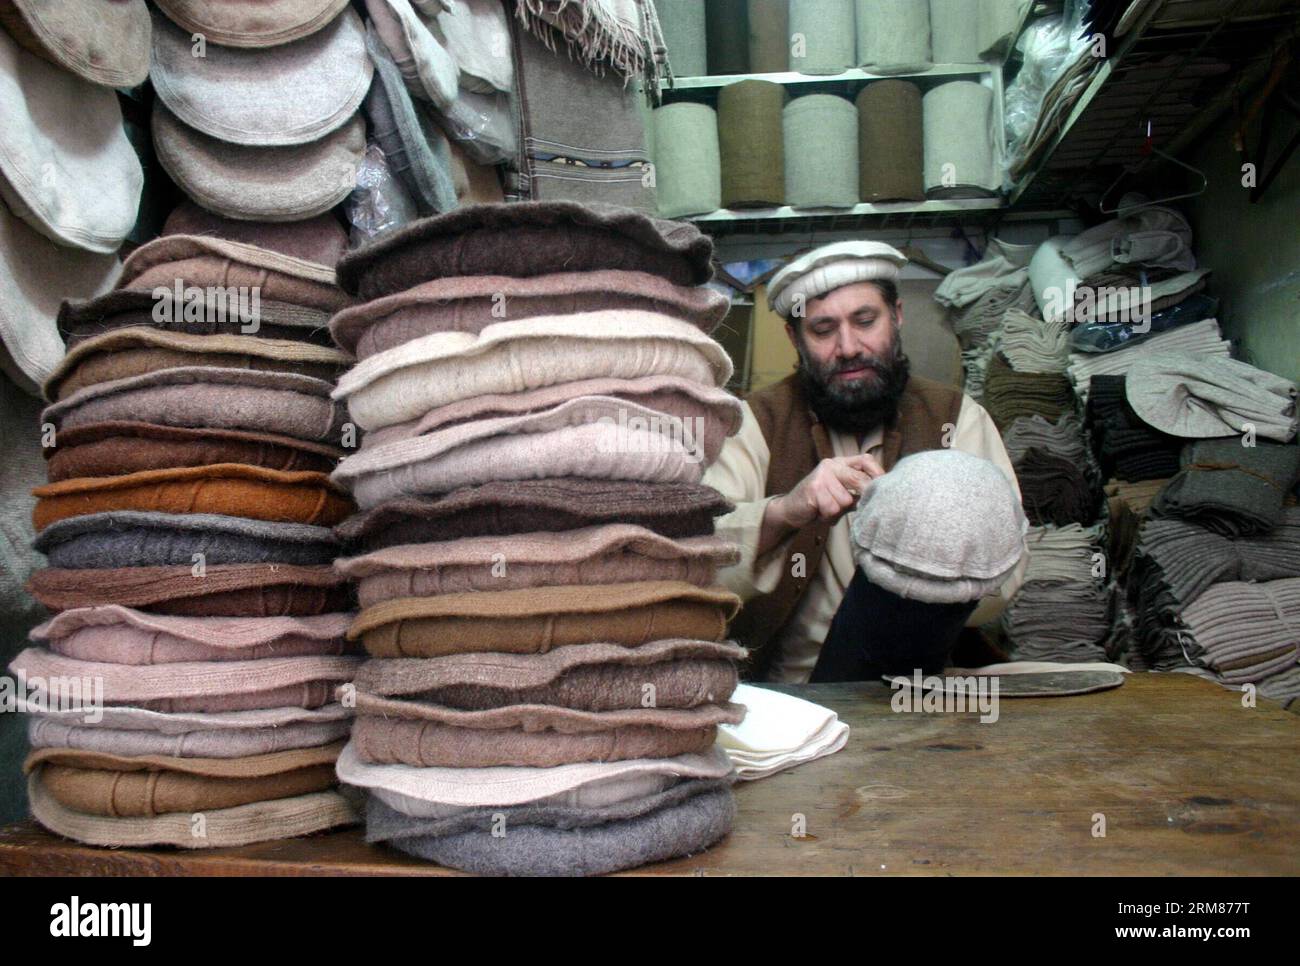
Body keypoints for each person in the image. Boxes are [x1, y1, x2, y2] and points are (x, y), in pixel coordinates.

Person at [703, 240, 1029, 683]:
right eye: (822, 329)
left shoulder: (955, 417)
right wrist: (784, 511)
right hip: (789, 695)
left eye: (865, 321)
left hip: (919, 689)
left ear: (896, 316)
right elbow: (702, 563)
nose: (849, 346)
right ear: (794, 338)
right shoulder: (756, 422)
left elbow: (1003, 578)